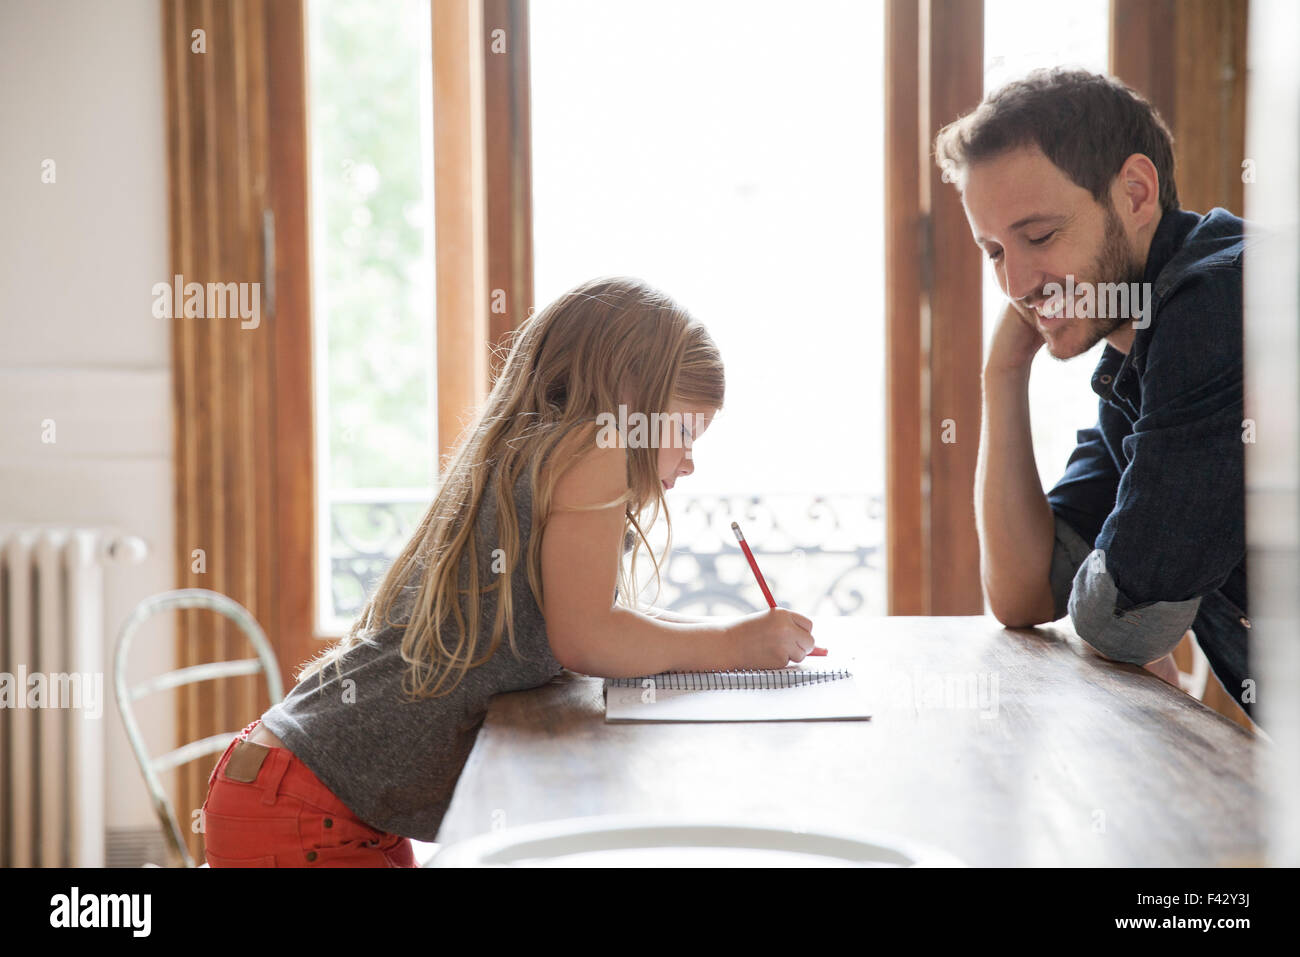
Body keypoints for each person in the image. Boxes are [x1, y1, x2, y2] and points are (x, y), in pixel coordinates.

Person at [200, 275, 818, 866]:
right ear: (630, 407)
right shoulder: (595, 455)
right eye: (683, 431)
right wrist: (734, 642)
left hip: (305, 790)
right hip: (304, 809)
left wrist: (738, 638)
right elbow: (588, 636)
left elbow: (596, 616)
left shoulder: (542, 453)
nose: (689, 461)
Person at [933, 68, 1253, 720]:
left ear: (1136, 193)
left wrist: (1117, 606)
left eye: (1040, 235)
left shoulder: (1219, 297)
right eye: (993, 250)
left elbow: (1126, 617)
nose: (1017, 281)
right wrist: (1004, 371)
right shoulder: (1132, 358)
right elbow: (1025, 591)